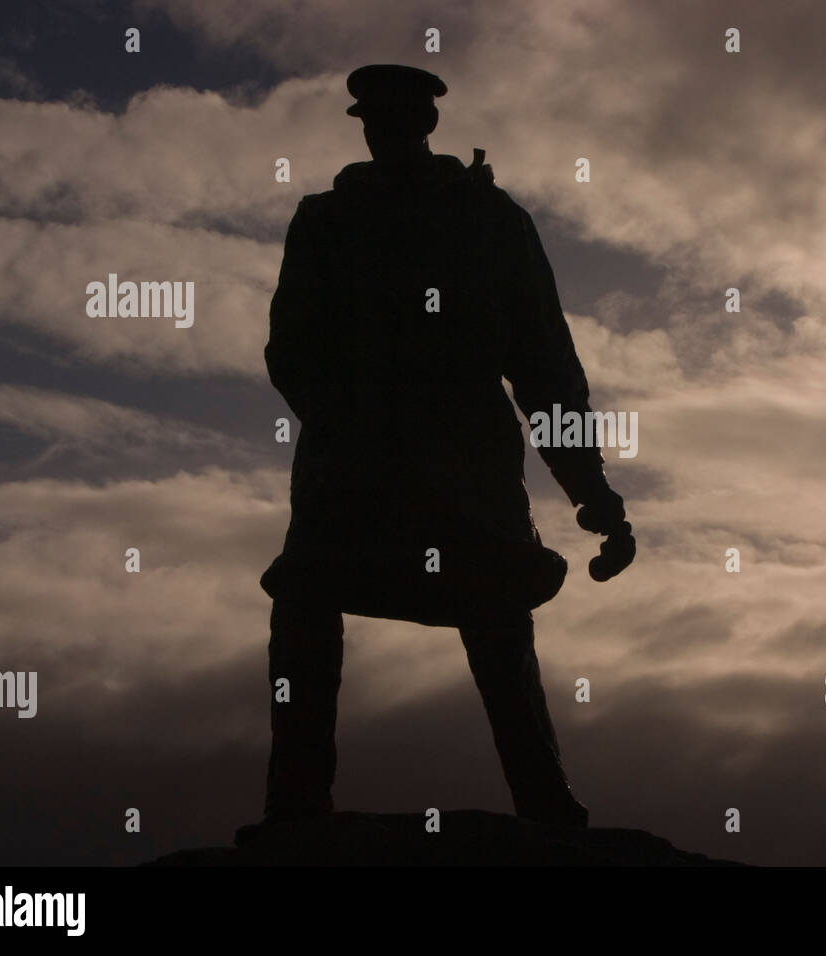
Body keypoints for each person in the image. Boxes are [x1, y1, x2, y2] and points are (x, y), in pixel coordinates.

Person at [239, 65, 635, 844]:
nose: (384, 130)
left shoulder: (480, 219)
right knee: (317, 603)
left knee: (488, 618)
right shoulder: (343, 220)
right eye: (376, 117)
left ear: (419, 123)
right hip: (379, 468)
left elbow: (544, 367)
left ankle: (544, 806)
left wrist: (591, 492)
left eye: (394, 117)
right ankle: (295, 807)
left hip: (435, 471)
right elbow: (291, 350)